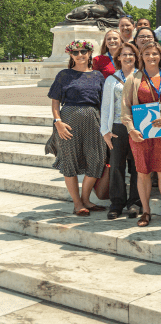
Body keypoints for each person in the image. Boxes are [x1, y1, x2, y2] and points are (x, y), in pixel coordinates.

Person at [121, 41, 161, 227]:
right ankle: (146, 211)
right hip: (141, 133)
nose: (151, 57)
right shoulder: (133, 78)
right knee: (143, 172)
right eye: (147, 54)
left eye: (155, 54)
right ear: (142, 57)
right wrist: (131, 129)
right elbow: (125, 108)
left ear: (160, 56)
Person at [47, 40, 107, 217]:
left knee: (97, 160)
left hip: (93, 121)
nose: (80, 55)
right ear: (70, 55)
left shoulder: (98, 76)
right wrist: (57, 121)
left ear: (90, 53)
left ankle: (86, 198)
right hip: (68, 122)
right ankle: (77, 203)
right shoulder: (64, 75)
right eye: (76, 52)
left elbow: (104, 103)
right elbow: (55, 101)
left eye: (83, 51)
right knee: (69, 162)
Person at [100, 42, 140, 219]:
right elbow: (106, 106)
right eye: (124, 54)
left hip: (138, 127)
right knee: (116, 166)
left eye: (131, 54)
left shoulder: (141, 76)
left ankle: (135, 202)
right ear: (118, 58)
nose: (127, 57)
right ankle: (117, 203)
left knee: (137, 167)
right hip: (117, 127)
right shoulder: (111, 79)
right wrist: (105, 131)